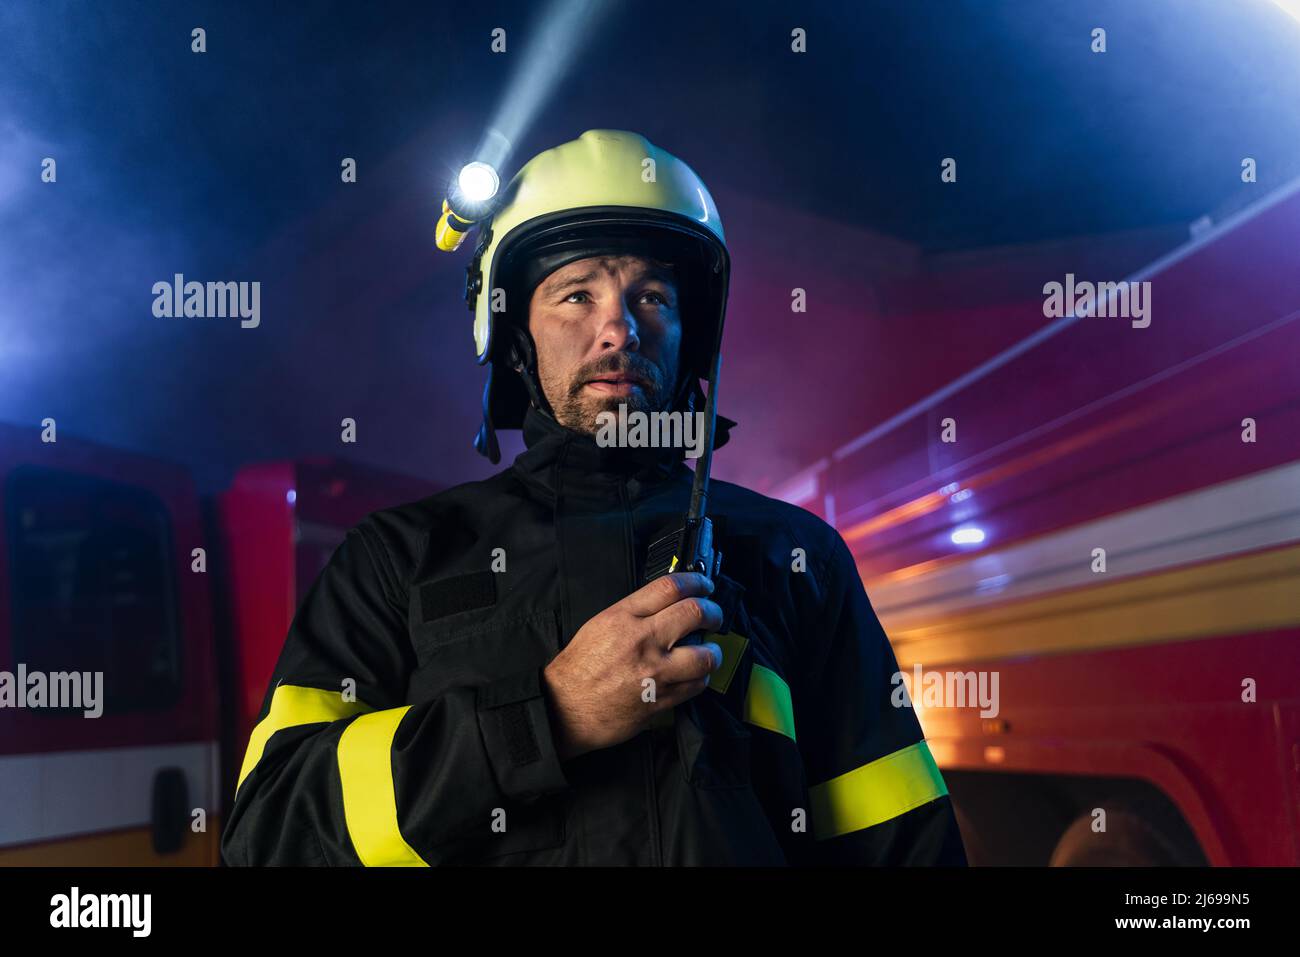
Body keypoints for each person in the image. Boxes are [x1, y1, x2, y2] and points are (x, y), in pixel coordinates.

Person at [221, 129, 968, 866]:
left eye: (651, 296)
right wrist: (548, 717)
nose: (618, 330)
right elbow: (270, 833)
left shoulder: (793, 557)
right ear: (516, 338)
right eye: (576, 294)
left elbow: (904, 845)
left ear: (689, 337)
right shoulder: (397, 558)